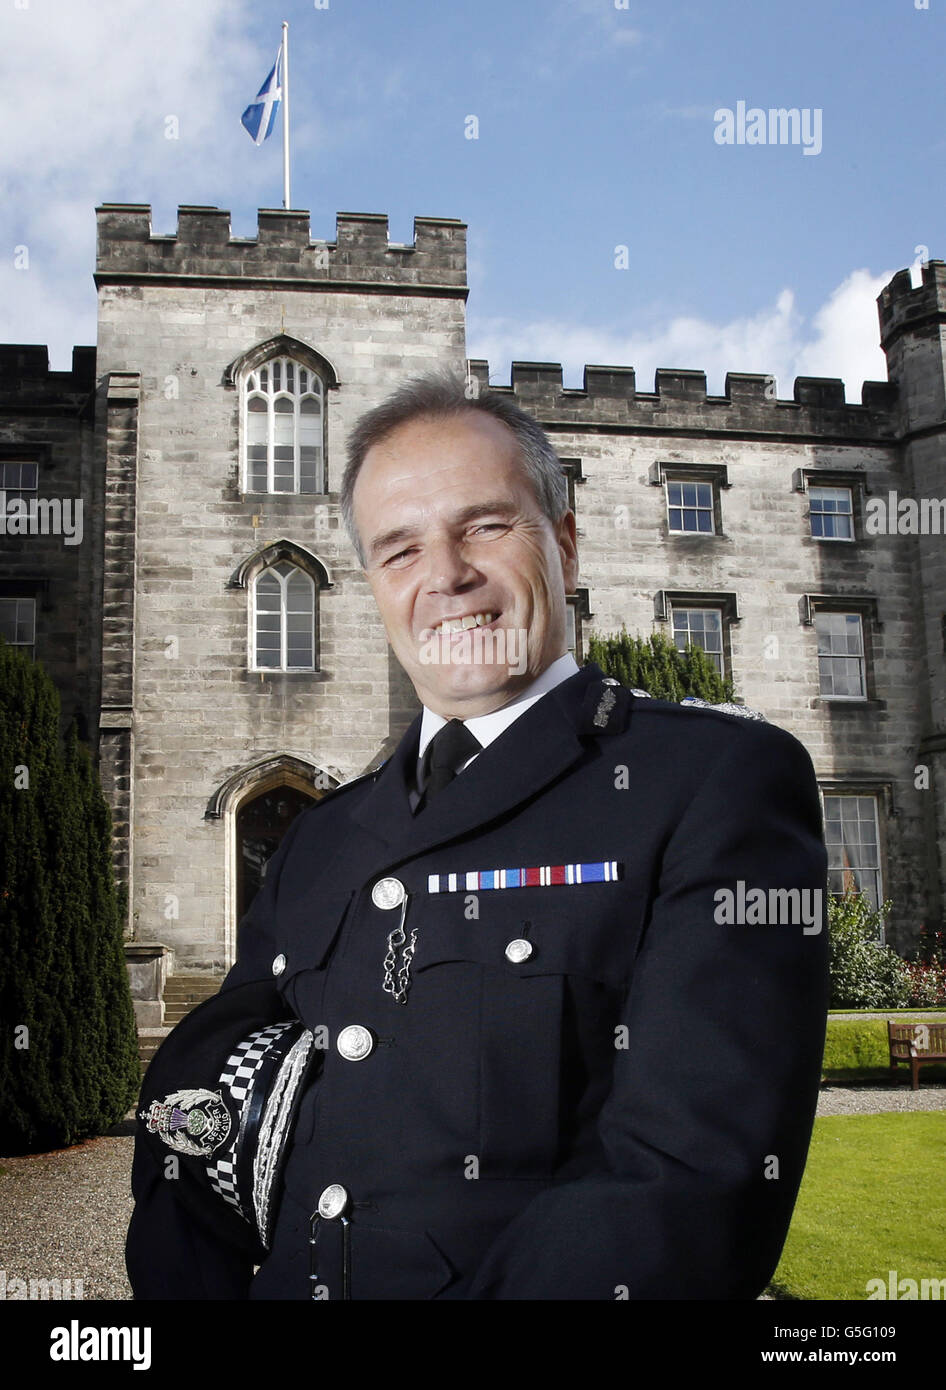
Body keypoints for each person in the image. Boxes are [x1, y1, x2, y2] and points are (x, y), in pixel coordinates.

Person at [126, 371, 829, 1300]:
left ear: (566, 544)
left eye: (485, 527)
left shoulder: (710, 783)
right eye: (398, 550)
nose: (445, 576)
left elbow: (685, 1189)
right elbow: (195, 1112)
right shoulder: (322, 837)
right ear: (373, 585)